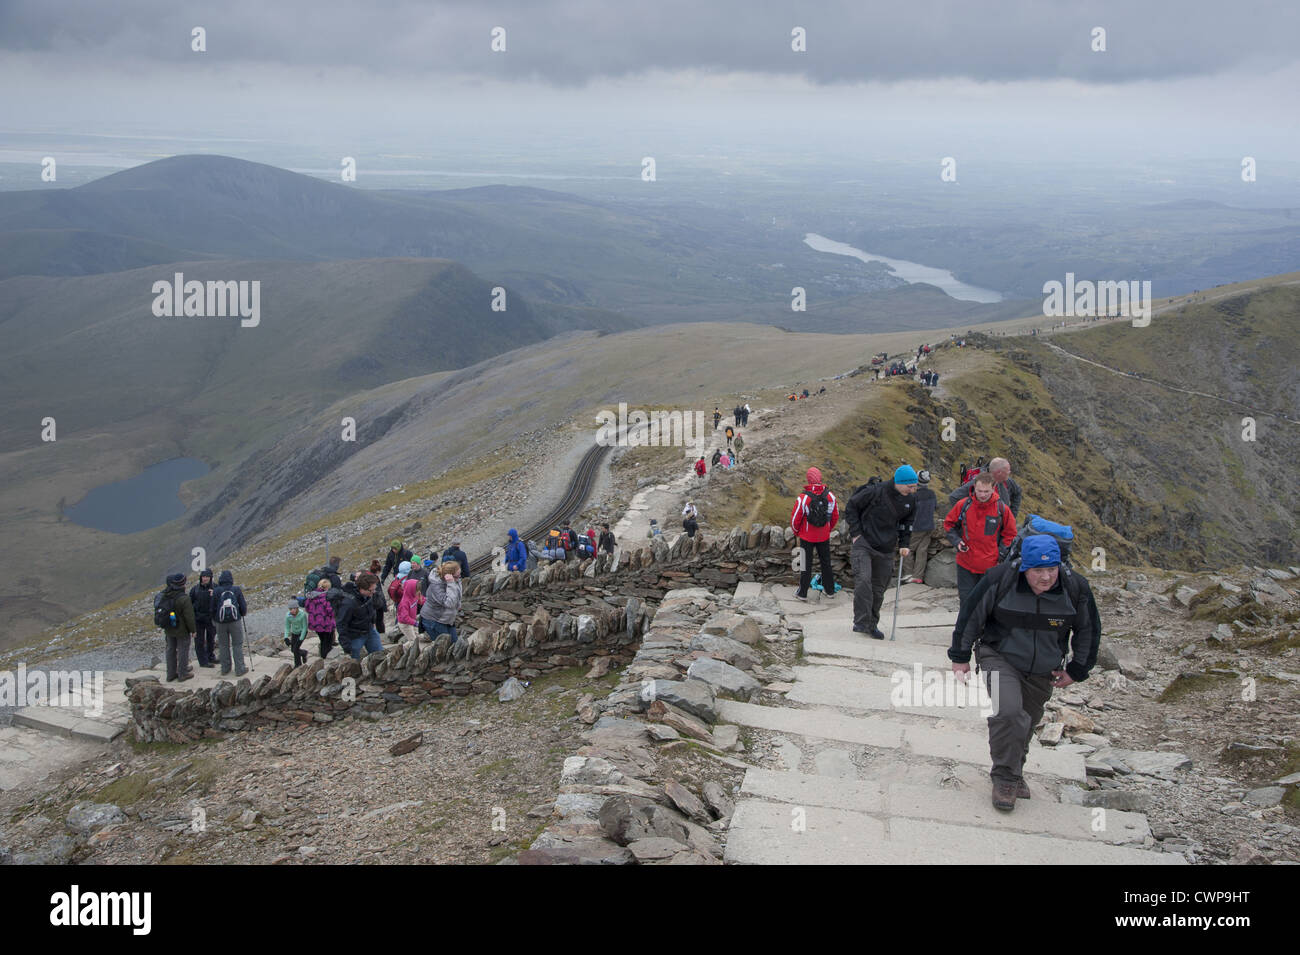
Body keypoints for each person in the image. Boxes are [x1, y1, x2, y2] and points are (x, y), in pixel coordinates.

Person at [949, 536, 1100, 811]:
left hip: (1044, 667)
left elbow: (1088, 629)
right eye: (1038, 571)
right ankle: (1005, 778)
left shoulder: (1075, 587)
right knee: (1008, 713)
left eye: (1052, 569)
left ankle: (1015, 768)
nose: (1046, 577)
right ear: (1023, 568)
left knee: (1027, 721)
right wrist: (960, 656)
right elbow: (970, 615)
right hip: (999, 656)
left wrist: (1077, 669)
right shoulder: (1000, 580)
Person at [844, 465, 917, 638]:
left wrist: (904, 544)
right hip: (864, 543)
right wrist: (856, 534)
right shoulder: (875, 491)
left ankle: (872, 624)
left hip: (886, 548)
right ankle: (861, 622)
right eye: (910, 486)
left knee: (879, 589)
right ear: (900, 483)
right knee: (863, 581)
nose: (913, 490)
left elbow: (907, 523)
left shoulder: (910, 500)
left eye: (914, 487)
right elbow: (851, 506)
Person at [943, 472, 1018, 610]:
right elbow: (949, 525)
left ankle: (983, 630)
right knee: (966, 600)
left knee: (986, 602)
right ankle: (964, 630)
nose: (982, 494)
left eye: (986, 491)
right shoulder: (963, 505)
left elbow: (1011, 534)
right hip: (965, 562)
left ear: (993, 488)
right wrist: (957, 541)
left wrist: (1000, 554)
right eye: (979, 491)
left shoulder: (1002, 509)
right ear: (973, 488)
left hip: (990, 565)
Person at [789, 466, 840, 602]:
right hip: (823, 535)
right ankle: (829, 590)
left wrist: (797, 531)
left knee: (806, 564)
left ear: (808, 479)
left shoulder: (803, 498)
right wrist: (828, 529)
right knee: (826, 563)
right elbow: (835, 515)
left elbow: (796, 518)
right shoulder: (830, 496)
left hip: (806, 536)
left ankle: (802, 592)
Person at [155, 572, 196, 682]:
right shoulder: (184, 598)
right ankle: (183, 673)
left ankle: (171, 674)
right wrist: (193, 630)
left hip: (168, 628)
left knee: (170, 650)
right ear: (183, 584)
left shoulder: (165, 595)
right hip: (181, 630)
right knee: (183, 649)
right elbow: (189, 617)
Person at [948, 456, 1021, 517]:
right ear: (999, 472)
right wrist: (967, 517)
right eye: (1008, 471)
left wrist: (1012, 515)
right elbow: (954, 497)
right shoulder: (979, 482)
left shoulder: (1007, 481)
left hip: (999, 527)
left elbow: (1018, 492)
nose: (1009, 473)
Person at [336, 572, 383, 660]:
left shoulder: (369, 595)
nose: (373, 592)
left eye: (374, 589)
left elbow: (377, 606)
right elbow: (341, 623)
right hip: (354, 636)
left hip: (370, 630)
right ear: (361, 589)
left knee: (380, 656)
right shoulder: (348, 603)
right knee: (354, 663)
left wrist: (376, 597)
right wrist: (345, 644)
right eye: (371, 590)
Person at [902, 469, 938, 584]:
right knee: (922, 551)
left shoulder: (914, 495)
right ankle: (918, 576)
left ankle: (908, 575)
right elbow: (935, 507)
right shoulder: (932, 494)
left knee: (908, 549)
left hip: (916, 527)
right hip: (929, 526)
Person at [211, 570, 249, 677]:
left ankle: (225, 668)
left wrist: (215, 619)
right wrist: (242, 614)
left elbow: (212, 608)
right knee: (237, 644)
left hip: (220, 622)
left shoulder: (216, 591)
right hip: (235, 621)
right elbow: (242, 605)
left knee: (223, 645)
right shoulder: (236, 589)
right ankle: (240, 669)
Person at [420, 561, 462, 643]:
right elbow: (449, 603)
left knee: (455, 644)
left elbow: (457, 593)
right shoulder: (436, 585)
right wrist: (451, 583)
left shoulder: (454, 580)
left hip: (447, 620)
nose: (459, 578)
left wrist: (458, 604)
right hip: (434, 620)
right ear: (448, 576)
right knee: (445, 647)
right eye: (457, 576)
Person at [188, 568, 217, 668]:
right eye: (203, 577)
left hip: (210, 618)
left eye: (207, 577)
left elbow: (220, 601)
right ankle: (203, 662)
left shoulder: (215, 588)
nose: (205, 579)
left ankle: (210, 657)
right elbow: (189, 604)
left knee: (211, 639)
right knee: (199, 641)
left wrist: (214, 595)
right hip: (198, 619)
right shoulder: (195, 589)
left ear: (211, 578)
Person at [305, 578, 337, 659]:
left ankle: (323, 655)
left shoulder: (311, 596)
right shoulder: (326, 596)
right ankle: (325, 657)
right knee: (327, 641)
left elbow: (307, 608)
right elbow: (330, 610)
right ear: (327, 587)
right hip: (326, 623)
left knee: (322, 640)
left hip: (315, 623)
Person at [397, 564, 423, 642]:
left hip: (412, 620)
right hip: (405, 624)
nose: (418, 592)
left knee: (417, 636)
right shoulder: (404, 602)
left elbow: (422, 600)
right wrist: (414, 622)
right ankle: (405, 648)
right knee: (413, 641)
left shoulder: (414, 596)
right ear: (411, 590)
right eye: (417, 590)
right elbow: (405, 617)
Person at [284, 599, 310, 666]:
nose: (292, 610)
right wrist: (286, 637)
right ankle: (304, 653)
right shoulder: (288, 616)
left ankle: (298, 665)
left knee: (295, 650)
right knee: (293, 650)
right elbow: (287, 627)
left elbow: (305, 627)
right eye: (291, 609)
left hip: (302, 632)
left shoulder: (302, 615)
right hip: (294, 633)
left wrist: (300, 639)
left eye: (294, 608)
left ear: (297, 608)